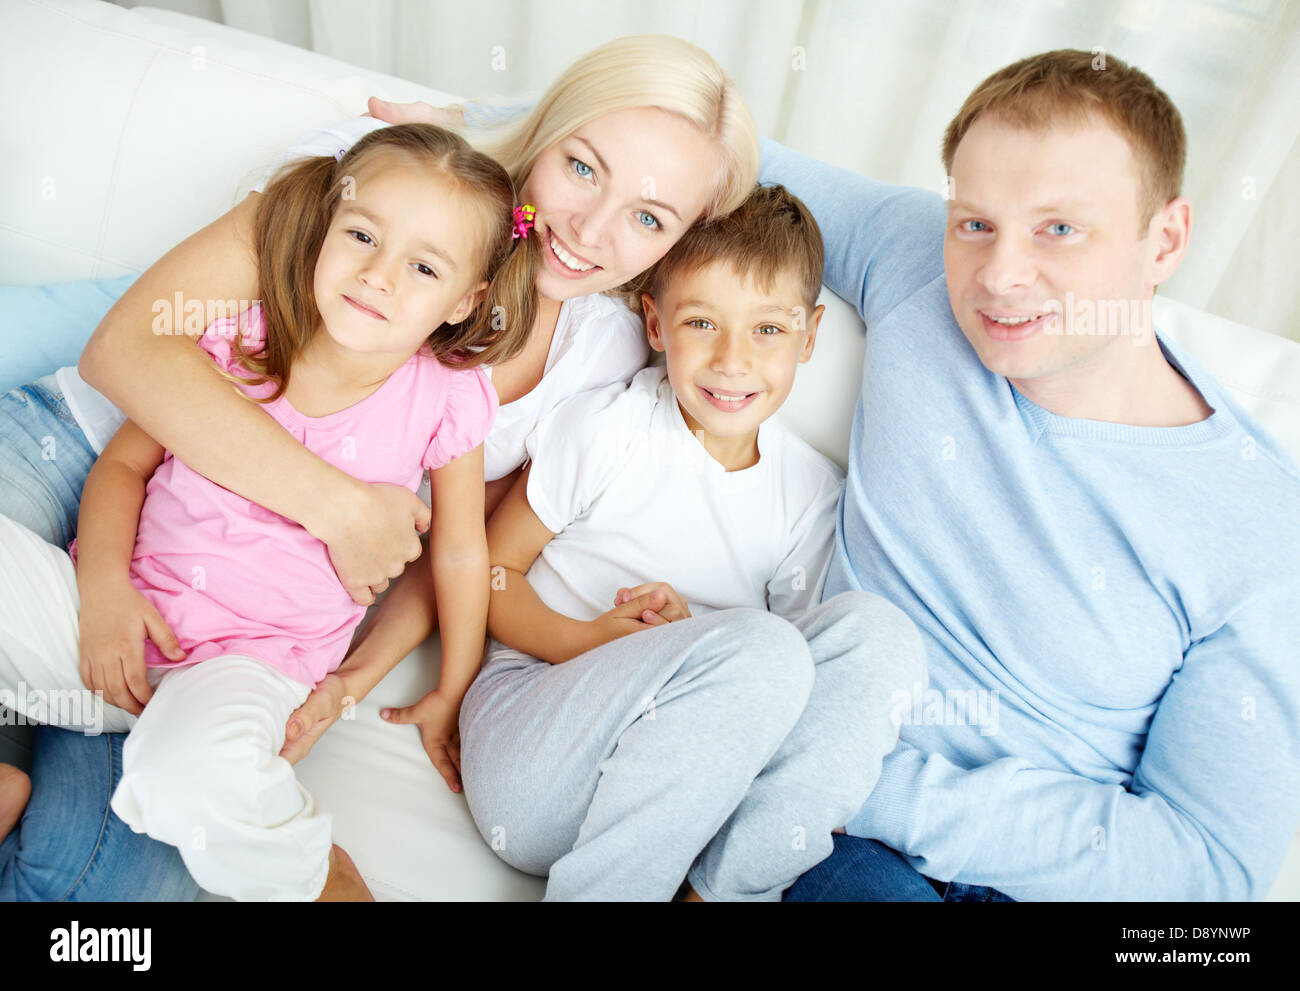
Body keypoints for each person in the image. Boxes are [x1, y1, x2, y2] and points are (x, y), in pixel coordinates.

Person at [0, 34, 758, 900]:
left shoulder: (599, 358)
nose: (591, 228)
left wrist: (350, 684)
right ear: (545, 129)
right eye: (583, 167)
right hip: (83, 456)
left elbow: (448, 548)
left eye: (649, 217)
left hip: (231, 621)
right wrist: (339, 506)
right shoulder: (373, 179)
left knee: (88, 881)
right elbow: (127, 351)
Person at [763, 50, 1300, 901]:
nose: (999, 275)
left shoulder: (1263, 523)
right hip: (840, 844)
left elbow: (1207, 870)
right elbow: (702, 151)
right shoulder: (914, 265)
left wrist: (860, 781)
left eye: (1058, 228)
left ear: (1164, 239)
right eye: (974, 222)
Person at [0, 121, 534, 901]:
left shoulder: (446, 398)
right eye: (361, 235)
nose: (378, 276)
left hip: (243, 670)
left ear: (466, 300)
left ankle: (321, 874)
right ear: (323, 230)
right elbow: (121, 465)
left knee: (188, 781)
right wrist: (107, 591)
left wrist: (454, 683)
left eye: (422, 266)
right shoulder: (237, 336)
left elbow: (457, 550)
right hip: (107, 624)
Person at [452, 183, 926, 900]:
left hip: (689, 791)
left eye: (768, 330)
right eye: (702, 323)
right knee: (763, 647)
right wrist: (604, 643)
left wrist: (688, 643)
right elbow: (490, 572)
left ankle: (718, 892)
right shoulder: (611, 428)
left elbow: (776, 685)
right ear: (655, 323)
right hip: (539, 742)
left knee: (879, 638)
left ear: (809, 333)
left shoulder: (808, 491)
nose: (732, 361)